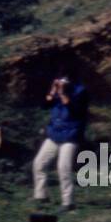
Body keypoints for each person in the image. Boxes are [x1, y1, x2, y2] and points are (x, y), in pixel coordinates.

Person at [32, 75, 90, 214]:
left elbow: (75, 111)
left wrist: (63, 93)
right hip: (54, 134)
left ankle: (68, 203)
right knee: (39, 163)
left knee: (63, 168)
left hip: (71, 136)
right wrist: (52, 91)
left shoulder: (81, 92)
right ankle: (41, 196)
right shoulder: (58, 92)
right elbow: (45, 105)